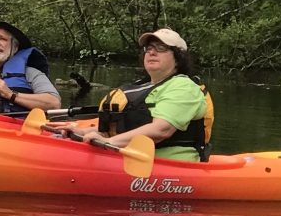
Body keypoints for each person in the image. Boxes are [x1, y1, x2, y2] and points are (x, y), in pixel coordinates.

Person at [74, 28, 212, 162]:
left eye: (161, 48)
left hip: (170, 166)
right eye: (149, 48)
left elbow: (161, 130)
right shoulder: (143, 87)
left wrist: (110, 142)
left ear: (178, 58)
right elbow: (125, 126)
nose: (152, 52)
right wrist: (82, 132)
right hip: (132, 159)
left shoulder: (184, 87)